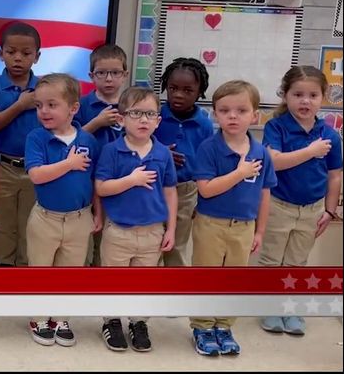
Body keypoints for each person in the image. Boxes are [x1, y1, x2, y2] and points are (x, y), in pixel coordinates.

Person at [189, 80, 276, 356]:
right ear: (215, 114)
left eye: (241, 110)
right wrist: (239, 173)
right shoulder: (208, 148)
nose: (233, 116)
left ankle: (224, 325)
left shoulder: (261, 152)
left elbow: (264, 195)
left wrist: (260, 231)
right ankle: (202, 325)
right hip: (210, 224)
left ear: (255, 115)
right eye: (225, 110)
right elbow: (206, 189)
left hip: (245, 227)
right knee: (206, 276)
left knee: (234, 278)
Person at [259, 66, 342, 336]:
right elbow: (274, 162)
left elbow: (334, 176)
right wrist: (311, 151)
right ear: (285, 95)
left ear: (323, 97)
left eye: (313, 95)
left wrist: (330, 210)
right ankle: (268, 307)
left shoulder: (330, 135)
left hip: (313, 209)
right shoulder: (276, 126)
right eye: (298, 94)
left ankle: (288, 308)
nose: (305, 101)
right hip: (279, 205)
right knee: (271, 260)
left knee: (296, 262)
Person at [95, 87, 177, 353]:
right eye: (136, 113)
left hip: (153, 231)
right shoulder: (111, 150)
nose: (143, 120)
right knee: (113, 279)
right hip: (118, 230)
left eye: (150, 114)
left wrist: (171, 229)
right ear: (121, 119)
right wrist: (131, 180)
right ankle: (112, 321)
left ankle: (138, 322)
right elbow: (101, 188)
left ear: (158, 120)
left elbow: (170, 191)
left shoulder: (163, 153)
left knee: (144, 282)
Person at [25, 73, 101, 348]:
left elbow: (95, 180)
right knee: (41, 270)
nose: (43, 111)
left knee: (70, 272)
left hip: (80, 218)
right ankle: (39, 317)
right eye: (38, 105)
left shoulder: (88, 141)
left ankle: (61, 317)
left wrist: (98, 213)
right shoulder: (37, 138)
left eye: (51, 105)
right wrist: (68, 164)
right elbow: (36, 175)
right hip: (45, 218)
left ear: (73, 108)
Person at [0, 22, 41, 266]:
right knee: (3, 226)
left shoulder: (44, 88)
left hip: (36, 169)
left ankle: (25, 284)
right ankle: (3, 278)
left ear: (37, 57)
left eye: (26, 54)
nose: (18, 58)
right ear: (0, 53)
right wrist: (19, 105)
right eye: (11, 52)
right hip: (2, 168)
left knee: (31, 226)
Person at [153, 58, 213, 266]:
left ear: (200, 92)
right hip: (153, 187)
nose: (178, 94)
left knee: (176, 246)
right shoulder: (155, 116)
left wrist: (201, 199)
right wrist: (161, 154)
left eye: (187, 90)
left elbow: (208, 163)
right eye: (173, 88)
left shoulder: (204, 124)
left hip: (186, 192)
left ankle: (174, 292)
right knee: (151, 244)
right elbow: (137, 144)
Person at [75, 44, 129, 267]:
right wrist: (97, 123)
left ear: (125, 75)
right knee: (87, 237)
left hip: (120, 183)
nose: (109, 79)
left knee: (111, 241)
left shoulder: (131, 104)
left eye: (115, 73)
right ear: (91, 75)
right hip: (86, 181)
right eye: (101, 73)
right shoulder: (83, 104)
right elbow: (71, 139)